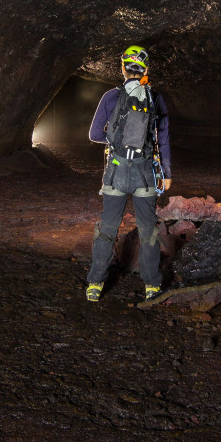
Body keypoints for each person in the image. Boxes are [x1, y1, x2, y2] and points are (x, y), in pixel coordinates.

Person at [85, 45, 172, 302]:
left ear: (123, 68)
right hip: (145, 173)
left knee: (107, 228)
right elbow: (163, 139)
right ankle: (152, 286)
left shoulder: (111, 96)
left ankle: (95, 284)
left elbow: (94, 134)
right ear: (146, 69)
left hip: (117, 172)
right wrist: (166, 172)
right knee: (148, 230)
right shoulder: (155, 98)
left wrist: (117, 141)